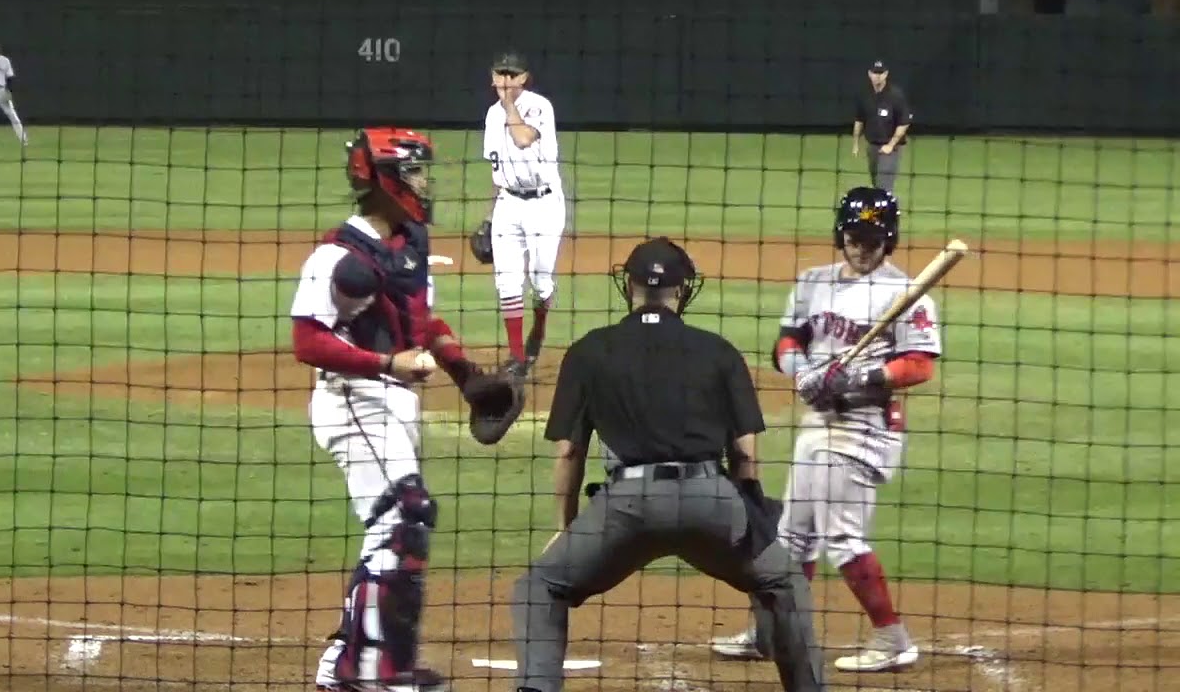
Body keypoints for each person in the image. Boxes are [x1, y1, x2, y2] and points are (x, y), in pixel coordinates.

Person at [511, 237, 827, 692]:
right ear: (683, 290)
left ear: (630, 285)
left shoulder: (589, 350)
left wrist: (565, 526)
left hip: (626, 509)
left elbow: (570, 453)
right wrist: (749, 514)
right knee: (784, 581)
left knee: (539, 589)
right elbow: (745, 453)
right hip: (710, 502)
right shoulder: (717, 351)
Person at [293, 127, 524, 692]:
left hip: (394, 405)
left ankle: (351, 661)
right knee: (404, 517)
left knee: (393, 527)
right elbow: (307, 341)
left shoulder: (409, 243)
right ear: (381, 179)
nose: (425, 183)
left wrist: (465, 373)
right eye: (414, 172)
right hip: (353, 401)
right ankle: (374, 671)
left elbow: (424, 323)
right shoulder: (337, 255)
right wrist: (386, 364)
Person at [708, 187, 942, 674]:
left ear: (889, 239)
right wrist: (802, 371)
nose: (862, 246)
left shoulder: (906, 293)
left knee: (842, 537)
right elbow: (787, 341)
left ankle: (893, 639)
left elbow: (919, 365)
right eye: (855, 236)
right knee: (793, 538)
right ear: (842, 234)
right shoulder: (814, 282)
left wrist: (862, 376)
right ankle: (770, 633)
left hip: (864, 425)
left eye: (873, 239)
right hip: (818, 423)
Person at [468, 50, 567, 379]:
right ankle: (516, 355)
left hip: (544, 205)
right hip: (509, 204)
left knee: (540, 281)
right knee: (507, 281)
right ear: (492, 77)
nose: (506, 81)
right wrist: (488, 216)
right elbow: (497, 172)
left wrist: (509, 105)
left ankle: (537, 330)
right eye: (501, 74)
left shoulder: (539, 107)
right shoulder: (490, 115)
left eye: (513, 75)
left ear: (525, 78)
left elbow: (523, 139)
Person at [851, 60, 910, 193]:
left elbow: (904, 122)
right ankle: (883, 211)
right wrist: (855, 143)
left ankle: (889, 213)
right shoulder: (865, 95)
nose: (877, 76)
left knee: (884, 186)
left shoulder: (895, 95)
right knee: (877, 185)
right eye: (875, 73)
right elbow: (859, 120)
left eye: (880, 73)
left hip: (891, 148)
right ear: (869, 74)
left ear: (886, 74)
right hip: (872, 147)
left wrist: (891, 144)